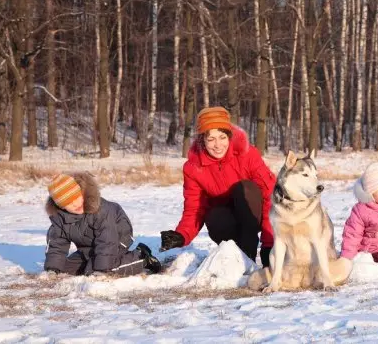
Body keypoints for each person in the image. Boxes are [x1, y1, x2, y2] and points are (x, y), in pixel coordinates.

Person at [159, 106, 276, 267]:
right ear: (202, 140)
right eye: (211, 139)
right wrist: (181, 235)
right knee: (213, 215)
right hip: (225, 223)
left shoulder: (248, 155)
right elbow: (195, 208)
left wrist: (269, 243)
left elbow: (271, 196)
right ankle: (236, 256)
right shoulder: (193, 168)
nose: (217, 145)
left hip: (253, 215)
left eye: (222, 137)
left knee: (245, 188)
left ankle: (249, 252)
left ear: (230, 136)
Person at [44, 172, 161, 276]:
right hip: (89, 246)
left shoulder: (100, 210)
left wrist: (101, 270)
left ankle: (142, 257)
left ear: (82, 193)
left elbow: (107, 241)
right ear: (61, 207)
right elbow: (57, 245)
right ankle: (92, 260)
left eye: (77, 197)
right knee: (65, 270)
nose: (75, 204)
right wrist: (53, 269)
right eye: (69, 203)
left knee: (96, 269)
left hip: (118, 236)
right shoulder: (60, 220)